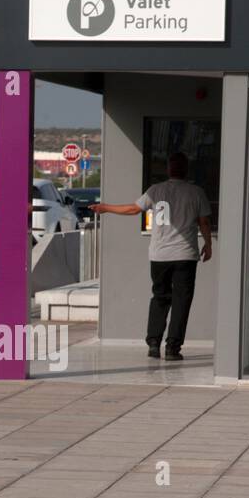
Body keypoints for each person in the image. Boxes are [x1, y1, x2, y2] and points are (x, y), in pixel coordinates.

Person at [90, 152, 212, 360]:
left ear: (168, 169)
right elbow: (204, 222)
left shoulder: (155, 190)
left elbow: (132, 209)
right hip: (185, 255)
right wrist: (208, 244)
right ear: (186, 170)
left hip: (159, 255)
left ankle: (153, 344)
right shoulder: (196, 192)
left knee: (160, 297)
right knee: (182, 301)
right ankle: (173, 348)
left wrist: (105, 208)